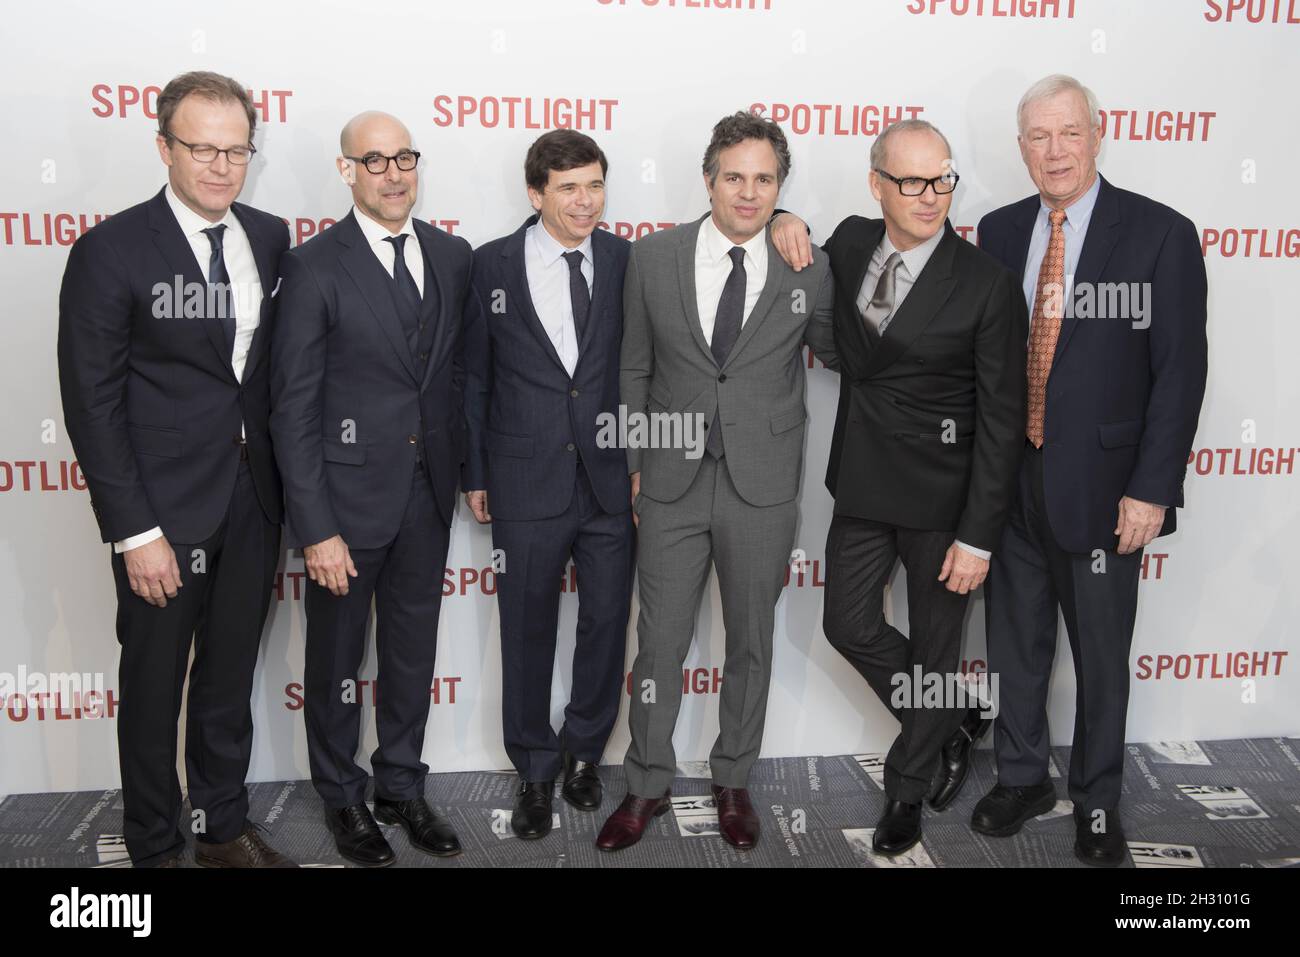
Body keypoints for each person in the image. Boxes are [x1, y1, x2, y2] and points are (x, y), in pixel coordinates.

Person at [933, 75, 1207, 867]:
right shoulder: (1000, 230)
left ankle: (1095, 798)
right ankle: (1021, 778)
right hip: (1011, 482)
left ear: (1098, 133)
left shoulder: (1160, 233)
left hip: (1106, 489)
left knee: (1099, 657)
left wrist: (1152, 487)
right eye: (1038, 137)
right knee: (1015, 645)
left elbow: (1180, 372)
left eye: (1069, 133)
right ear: (1020, 146)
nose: (1054, 151)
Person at [57, 71, 294, 868]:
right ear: (164, 147)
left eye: (237, 150)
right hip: (161, 513)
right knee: (155, 686)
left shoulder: (269, 236)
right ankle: (155, 845)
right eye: (203, 149)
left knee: (228, 679)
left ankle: (222, 828)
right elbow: (91, 403)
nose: (222, 167)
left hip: (254, 500)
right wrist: (135, 531)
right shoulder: (111, 249)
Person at [778, 120, 1026, 855]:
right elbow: (806, 252)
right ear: (877, 185)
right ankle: (952, 718)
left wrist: (978, 535)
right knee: (847, 623)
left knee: (937, 653)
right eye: (911, 181)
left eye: (942, 179)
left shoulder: (984, 284)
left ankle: (906, 790)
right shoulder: (853, 240)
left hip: (945, 502)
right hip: (863, 481)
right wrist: (786, 218)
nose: (929, 196)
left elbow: (1003, 420)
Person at [596, 112, 837, 852]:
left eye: (765, 180)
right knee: (658, 644)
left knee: (752, 642)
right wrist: (637, 465)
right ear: (709, 180)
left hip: (763, 482)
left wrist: (809, 231)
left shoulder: (807, 263)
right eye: (735, 177)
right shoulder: (654, 257)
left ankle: (733, 779)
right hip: (670, 479)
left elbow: (837, 350)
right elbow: (635, 367)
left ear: (781, 187)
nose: (749, 192)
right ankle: (646, 783)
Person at [271, 111, 476, 866]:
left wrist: (469, 474)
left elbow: (458, 376)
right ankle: (342, 795)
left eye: (404, 158)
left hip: (428, 493)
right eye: (375, 160)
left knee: (411, 652)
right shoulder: (313, 266)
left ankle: (400, 784)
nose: (394, 174)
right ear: (347, 170)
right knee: (335, 660)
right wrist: (315, 526)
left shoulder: (452, 256)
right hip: (344, 507)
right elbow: (293, 407)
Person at [462, 130, 635, 839]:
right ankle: (534, 768)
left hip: (609, 479)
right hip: (522, 476)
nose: (585, 201)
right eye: (568, 188)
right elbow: (473, 375)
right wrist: (476, 472)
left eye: (595, 185)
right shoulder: (489, 264)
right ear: (536, 194)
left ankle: (586, 752)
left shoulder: (627, 260)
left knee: (606, 623)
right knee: (526, 627)